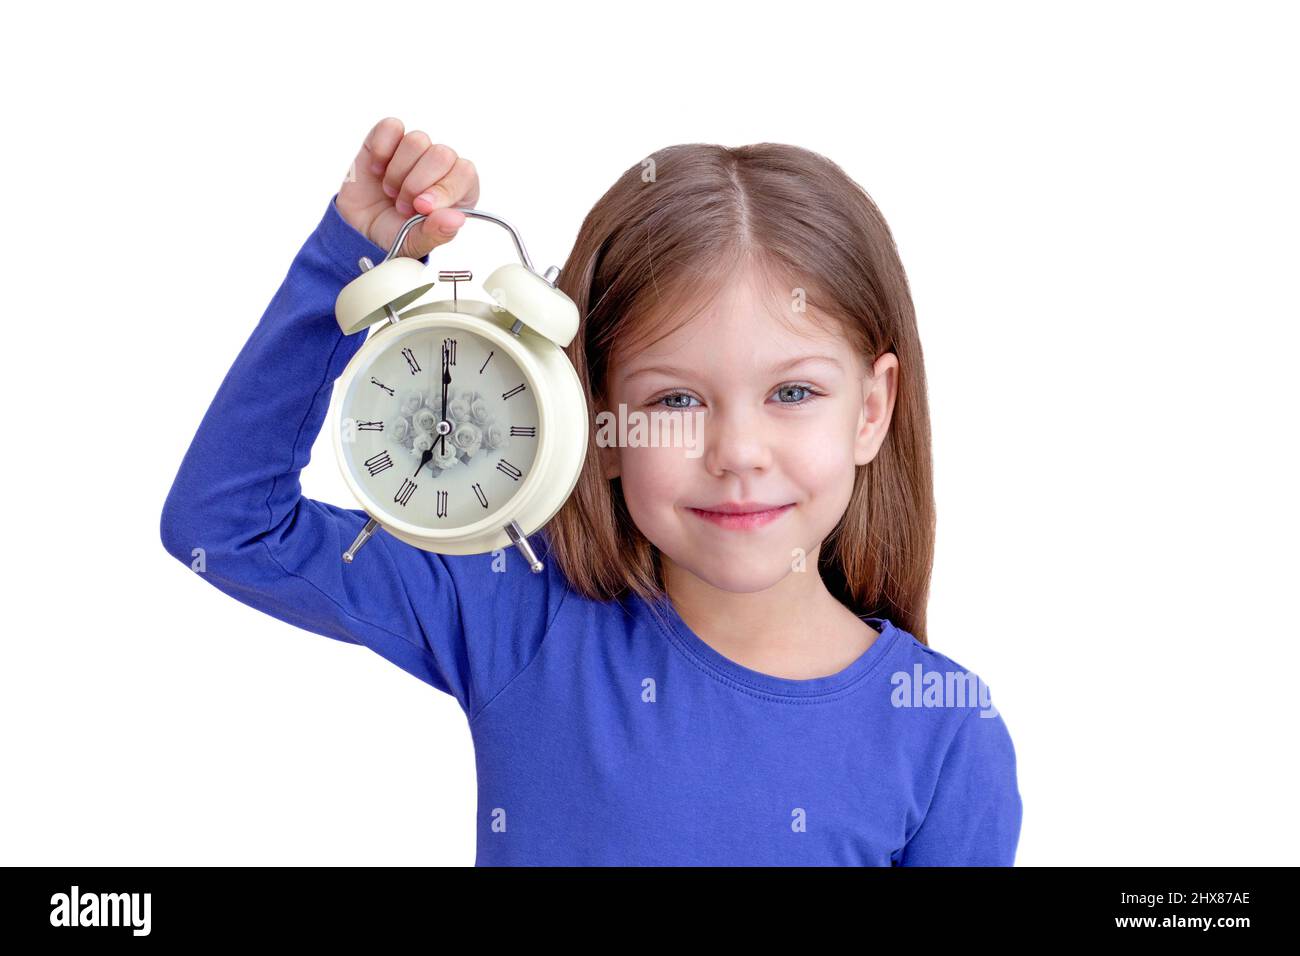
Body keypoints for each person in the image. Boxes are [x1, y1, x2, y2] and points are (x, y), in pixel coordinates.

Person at [160, 117, 1022, 866]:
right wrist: (351, 254)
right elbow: (228, 525)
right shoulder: (520, 618)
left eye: (792, 392)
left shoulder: (946, 737)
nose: (738, 453)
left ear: (871, 410)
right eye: (675, 400)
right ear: (595, 427)